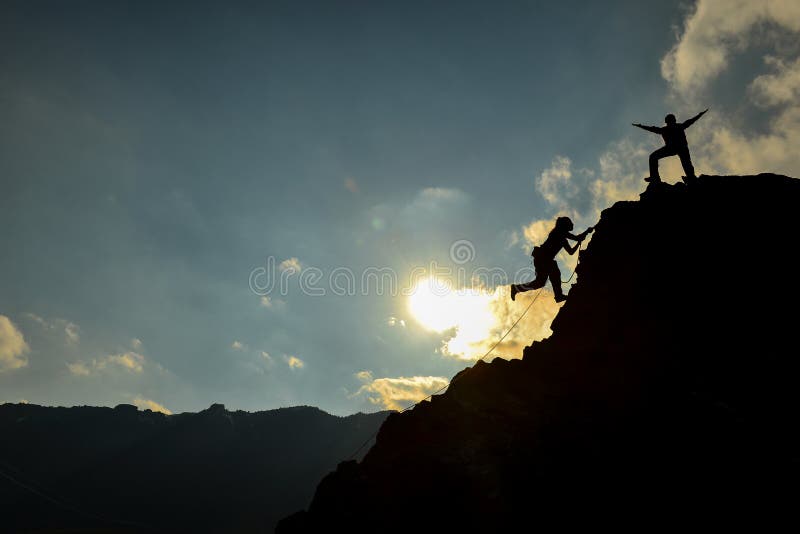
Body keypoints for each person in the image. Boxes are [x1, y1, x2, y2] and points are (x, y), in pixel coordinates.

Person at [510, 216, 593, 303]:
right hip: (543, 258)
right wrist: (586, 233)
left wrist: (580, 240)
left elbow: (571, 251)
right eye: (569, 224)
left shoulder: (561, 236)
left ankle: (517, 288)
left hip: (542, 259)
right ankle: (558, 295)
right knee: (553, 273)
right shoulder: (559, 233)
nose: (572, 225)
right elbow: (576, 239)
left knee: (540, 282)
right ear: (564, 226)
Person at [632, 109, 708, 183]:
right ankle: (655, 177)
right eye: (669, 121)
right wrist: (641, 126)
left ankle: (691, 178)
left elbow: (690, 121)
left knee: (686, 162)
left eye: (670, 121)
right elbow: (652, 129)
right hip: (674, 148)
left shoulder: (676, 127)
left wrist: (700, 115)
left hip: (679, 148)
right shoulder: (669, 128)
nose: (670, 123)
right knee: (653, 157)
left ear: (672, 121)